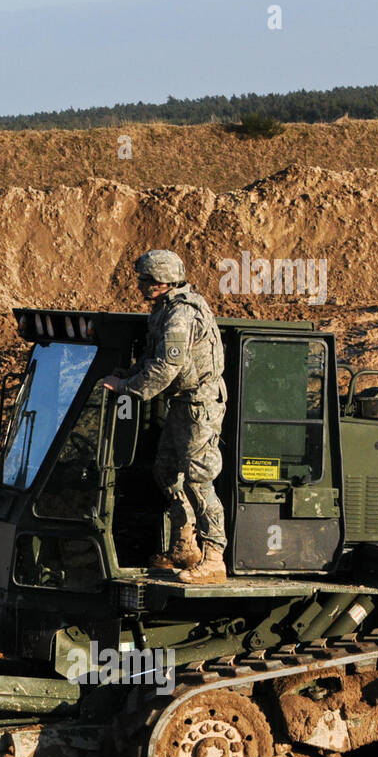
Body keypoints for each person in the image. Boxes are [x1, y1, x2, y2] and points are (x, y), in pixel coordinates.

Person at [99, 249, 228, 584]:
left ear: (160, 281)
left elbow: (166, 367)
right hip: (183, 404)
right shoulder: (164, 310)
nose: (140, 285)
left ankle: (214, 558)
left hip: (200, 406)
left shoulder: (180, 315)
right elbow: (152, 358)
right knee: (166, 471)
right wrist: (127, 374)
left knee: (199, 479)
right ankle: (186, 545)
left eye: (145, 279)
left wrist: (127, 388)